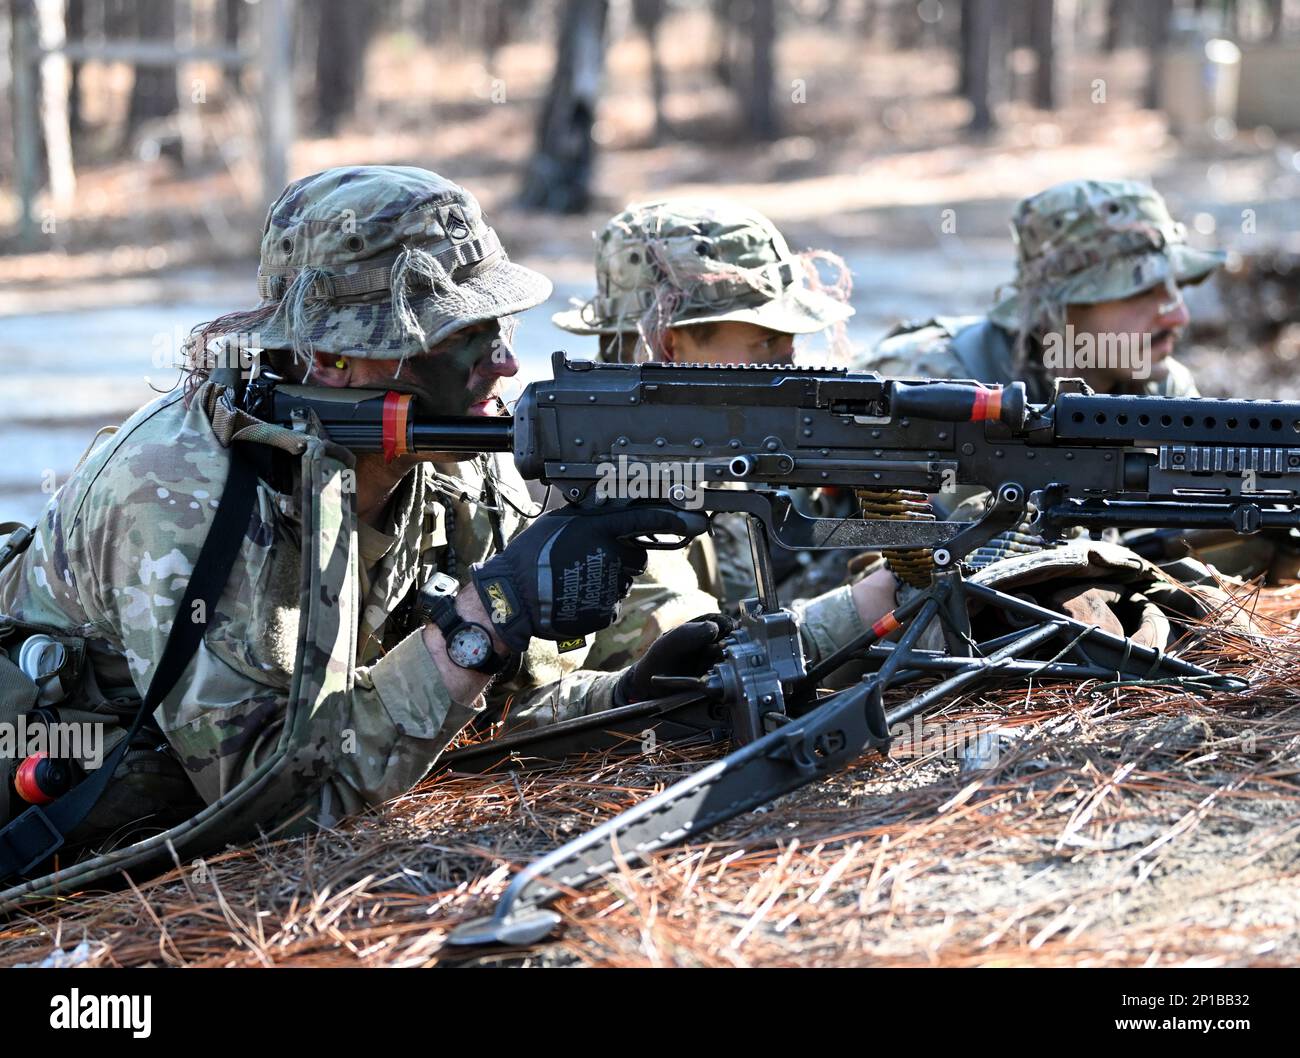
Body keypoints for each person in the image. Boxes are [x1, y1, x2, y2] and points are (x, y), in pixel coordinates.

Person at [0, 166, 732, 885]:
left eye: (501, 325)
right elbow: (278, 813)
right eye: (461, 333)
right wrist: (488, 616)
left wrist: (629, 694)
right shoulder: (180, 492)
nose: (506, 361)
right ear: (331, 357)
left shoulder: (452, 458)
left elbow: (477, 720)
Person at [553, 198, 899, 621]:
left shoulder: (714, 433)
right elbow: (690, 664)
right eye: (766, 340)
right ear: (670, 345)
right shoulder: (617, 482)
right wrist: (872, 600)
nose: (789, 351)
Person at [862, 179, 1220, 401]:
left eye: (1176, 289)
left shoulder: (1162, 388)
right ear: (1056, 309)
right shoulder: (927, 383)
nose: (1178, 316)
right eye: (1140, 291)